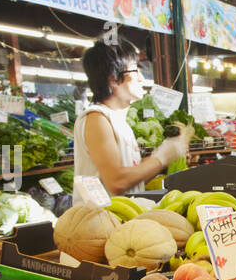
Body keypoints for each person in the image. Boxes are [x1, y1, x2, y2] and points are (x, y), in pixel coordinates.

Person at [75, 39, 190, 198]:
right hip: (101, 220)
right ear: (113, 79)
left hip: (123, 217)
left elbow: (132, 180)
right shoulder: (97, 119)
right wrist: (160, 158)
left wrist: (166, 155)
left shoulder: (119, 122)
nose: (141, 79)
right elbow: (117, 182)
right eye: (136, 71)